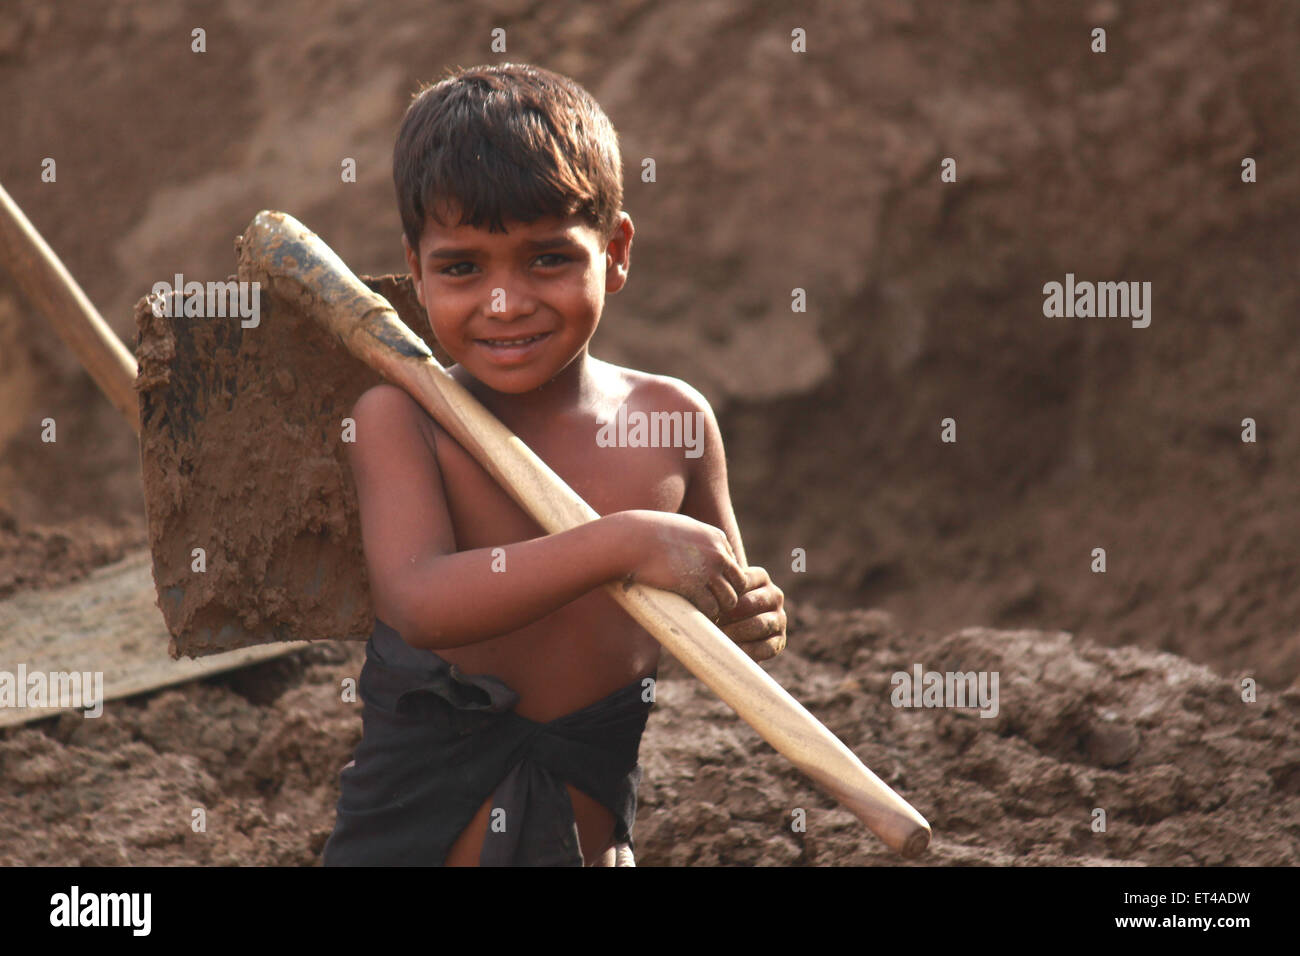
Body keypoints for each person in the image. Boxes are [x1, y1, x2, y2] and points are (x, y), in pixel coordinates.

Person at [322, 62, 786, 867]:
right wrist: (620, 543)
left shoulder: (674, 422)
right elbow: (421, 601)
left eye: (547, 260)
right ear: (416, 270)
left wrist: (749, 620)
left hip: (590, 832)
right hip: (417, 842)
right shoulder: (403, 421)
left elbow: (713, 609)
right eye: (462, 268)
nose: (505, 303)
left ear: (616, 251)